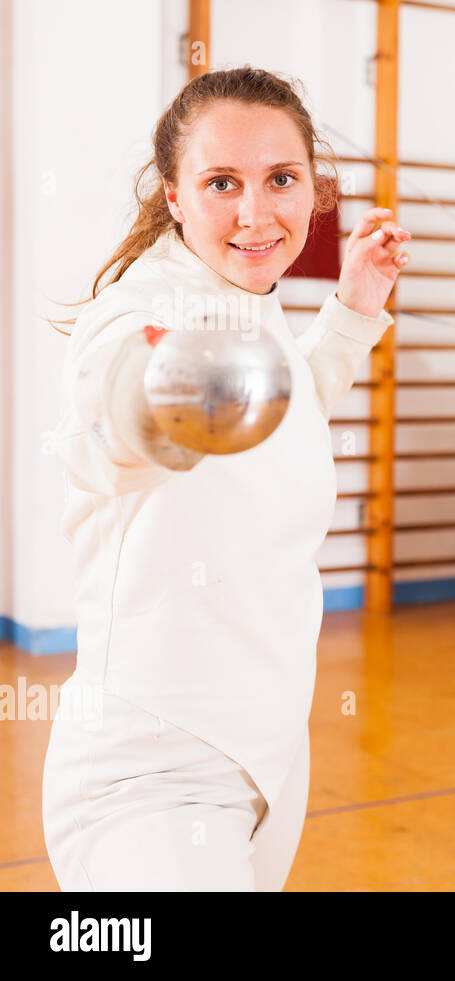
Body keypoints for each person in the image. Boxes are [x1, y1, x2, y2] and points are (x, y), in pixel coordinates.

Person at [42, 66, 411, 890]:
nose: (256, 213)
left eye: (281, 179)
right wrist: (170, 391)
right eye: (221, 183)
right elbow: (98, 435)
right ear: (174, 195)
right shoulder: (142, 312)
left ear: (314, 189)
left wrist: (353, 310)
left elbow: (284, 412)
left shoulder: (250, 294)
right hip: (151, 772)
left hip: (271, 754)